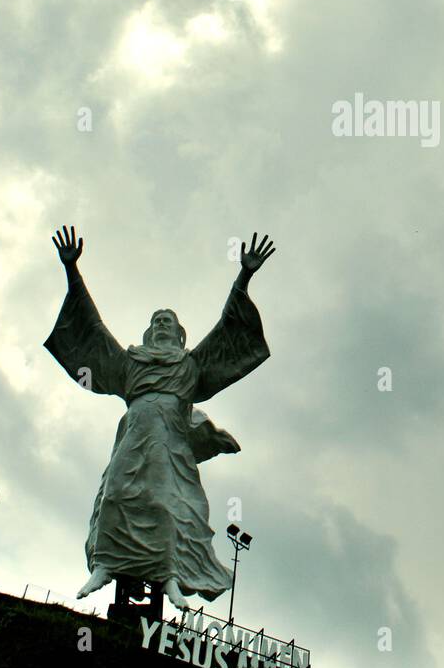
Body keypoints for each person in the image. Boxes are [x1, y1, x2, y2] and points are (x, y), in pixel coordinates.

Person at [44, 224, 274, 610]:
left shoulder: (191, 366)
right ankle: (103, 566)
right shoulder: (129, 362)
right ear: (149, 332)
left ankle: (169, 579)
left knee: (168, 504)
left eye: (169, 319)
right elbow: (91, 326)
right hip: (134, 434)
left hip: (170, 441)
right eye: (156, 319)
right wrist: (72, 269)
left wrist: (245, 275)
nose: (162, 322)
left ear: (181, 336)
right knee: (116, 494)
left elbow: (227, 329)